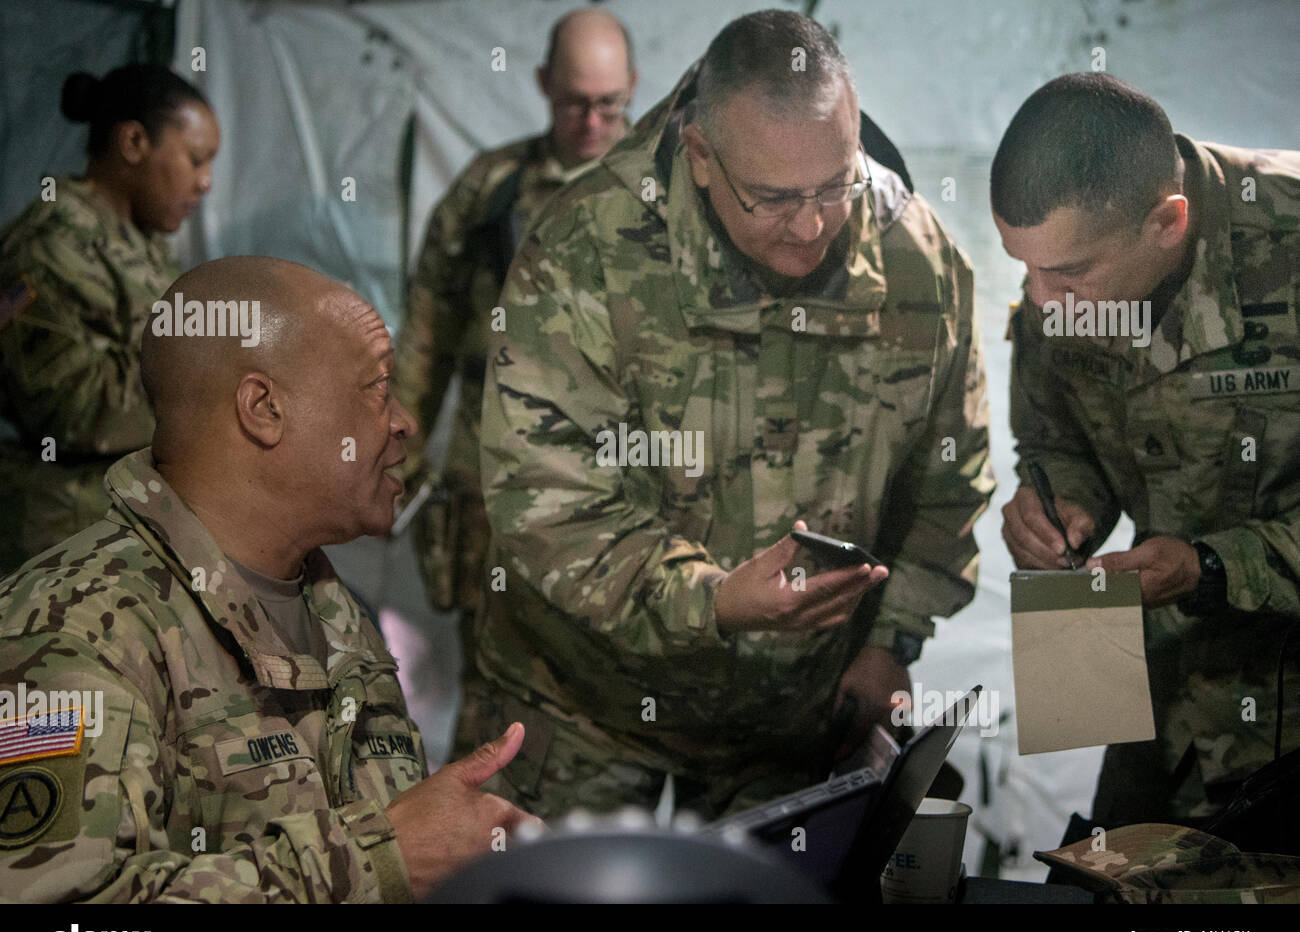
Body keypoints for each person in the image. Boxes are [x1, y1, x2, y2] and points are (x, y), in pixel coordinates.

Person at [457, 10, 994, 820]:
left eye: (834, 185)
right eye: (775, 199)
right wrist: (707, 598)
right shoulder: (585, 250)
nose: (812, 227)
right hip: (582, 706)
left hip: (788, 726)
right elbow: (545, 498)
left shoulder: (918, 263)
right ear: (702, 157)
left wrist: (894, 638)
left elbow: (949, 479)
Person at [0, 256, 539, 903]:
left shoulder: (334, 616)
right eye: (376, 387)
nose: (404, 422)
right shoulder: (67, 630)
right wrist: (380, 860)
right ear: (263, 408)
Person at [994, 72, 1300, 825]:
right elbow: (1056, 434)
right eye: (1024, 268)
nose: (1040, 301)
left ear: (1167, 223)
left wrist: (1214, 566)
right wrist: (1063, 503)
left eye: (1067, 274)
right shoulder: (1059, 278)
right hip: (1157, 711)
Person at [394, 7, 637, 728]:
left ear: (632, 89)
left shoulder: (664, 192)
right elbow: (424, 336)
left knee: (608, 714)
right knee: (495, 703)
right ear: (540, 84)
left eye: (608, 104)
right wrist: (396, 455)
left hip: (620, 504)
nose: (591, 121)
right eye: (572, 102)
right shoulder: (489, 189)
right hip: (492, 496)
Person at [0, 64, 220, 576]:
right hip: (65, 554)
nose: (206, 183)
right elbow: (75, 408)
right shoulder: (49, 248)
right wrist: (213, 376)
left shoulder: (137, 241)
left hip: (131, 538)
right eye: (195, 160)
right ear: (134, 142)